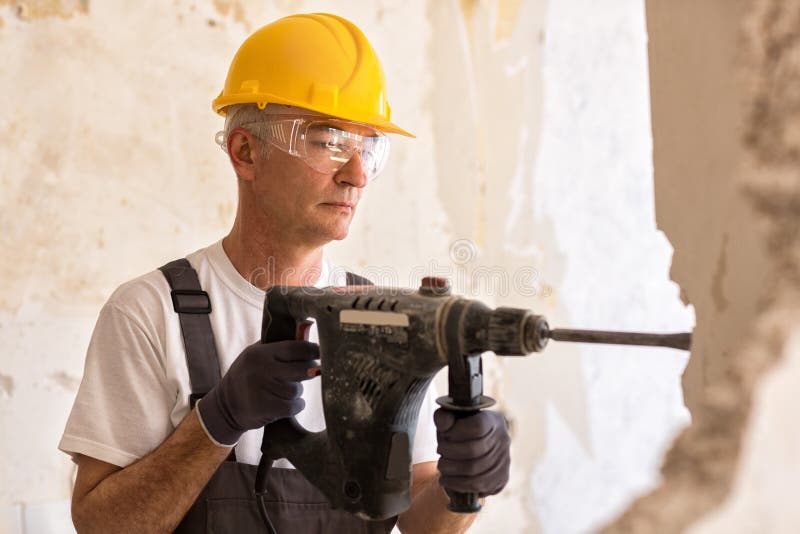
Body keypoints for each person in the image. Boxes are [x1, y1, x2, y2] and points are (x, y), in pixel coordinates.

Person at [59, 12, 511, 533]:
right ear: (245, 152)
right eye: (329, 142)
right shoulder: (150, 313)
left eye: (368, 148)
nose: (357, 175)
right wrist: (217, 421)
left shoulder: (386, 325)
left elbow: (421, 524)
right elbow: (101, 525)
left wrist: (463, 485)